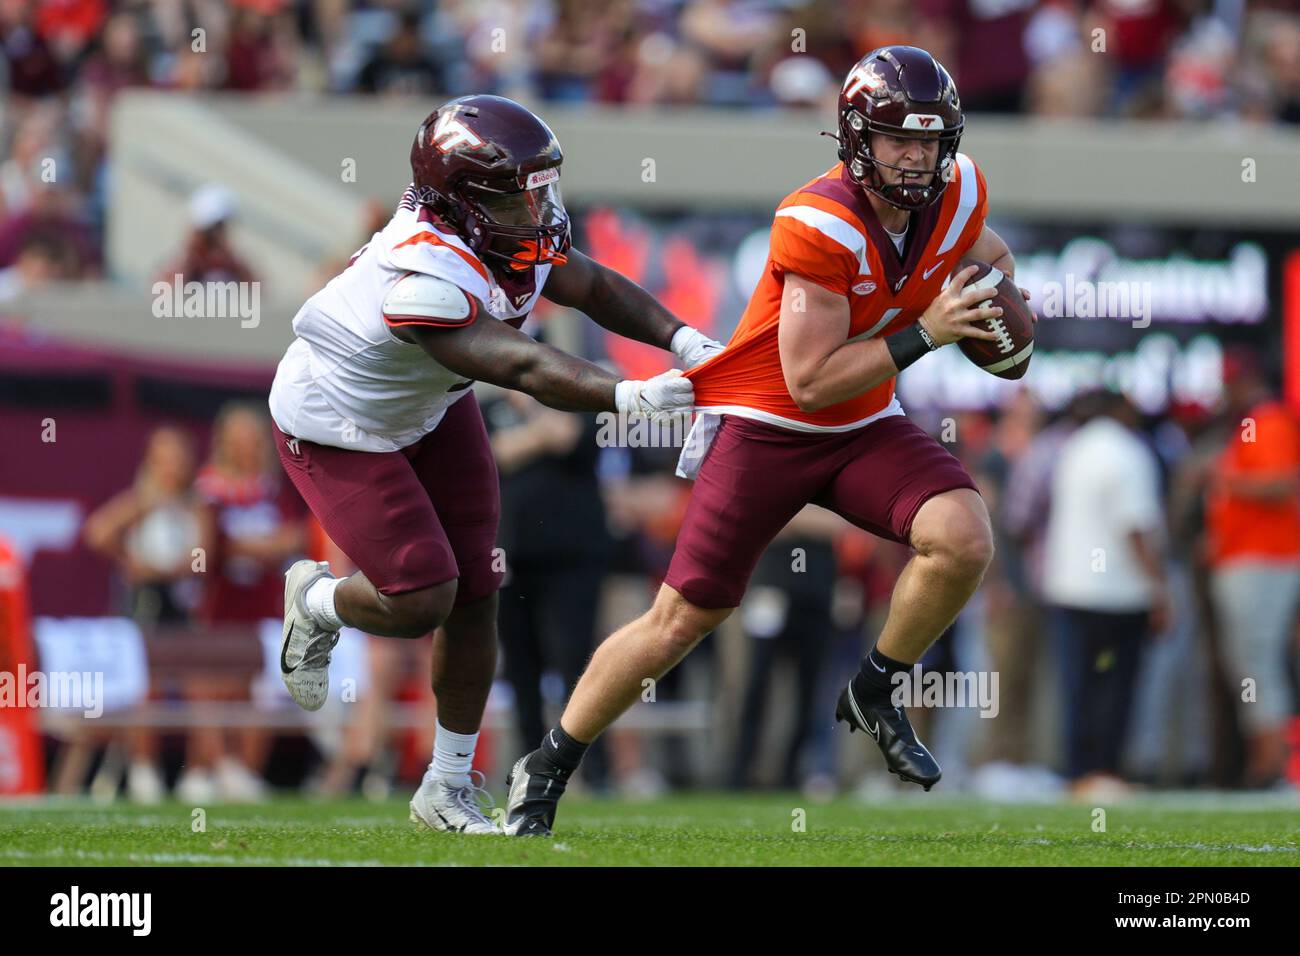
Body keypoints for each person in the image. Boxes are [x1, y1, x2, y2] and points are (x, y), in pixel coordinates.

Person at [504, 46, 1028, 835]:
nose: (918, 158)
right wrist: (927, 333)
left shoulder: (959, 193)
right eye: (898, 140)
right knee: (680, 620)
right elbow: (810, 379)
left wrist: (1000, 315)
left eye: (930, 140)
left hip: (861, 424)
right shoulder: (818, 220)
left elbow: (992, 257)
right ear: (857, 140)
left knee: (963, 536)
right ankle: (548, 764)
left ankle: (875, 687)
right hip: (769, 425)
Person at [267, 95, 711, 834]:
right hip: (337, 423)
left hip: (430, 406)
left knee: (478, 589)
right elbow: (522, 366)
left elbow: (594, 286)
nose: (537, 209)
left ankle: (445, 788)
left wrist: (685, 337)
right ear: (461, 203)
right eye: (517, 194)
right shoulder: (423, 274)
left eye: (541, 188)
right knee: (423, 597)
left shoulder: (502, 234)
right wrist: (630, 395)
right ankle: (316, 603)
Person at [1042, 391, 1168, 797]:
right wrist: (1159, 588)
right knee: (1115, 685)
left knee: (1079, 684)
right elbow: (1134, 527)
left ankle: (1077, 772)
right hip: (1119, 592)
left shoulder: (1071, 449)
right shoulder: (1129, 452)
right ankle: (1105, 771)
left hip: (1069, 586)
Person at [1205, 348, 1300, 788]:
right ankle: (1266, 762)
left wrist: (1223, 480)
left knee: (1257, 659)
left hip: (1264, 559)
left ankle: (1271, 764)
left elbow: (1282, 484)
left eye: (1229, 383)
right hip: (1247, 559)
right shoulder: (1250, 424)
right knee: (1249, 661)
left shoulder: (1268, 420)